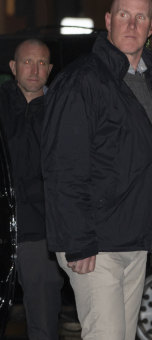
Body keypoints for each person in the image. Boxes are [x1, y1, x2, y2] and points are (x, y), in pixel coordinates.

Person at [42, 0, 152, 340]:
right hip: (94, 242)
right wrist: (78, 241)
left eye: (141, 17)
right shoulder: (82, 82)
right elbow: (63, 168)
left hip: (133, 242)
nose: (132, 24)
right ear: (108, 20)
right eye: (124, 14)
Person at [0, 39, 63, 340]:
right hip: (2, 232)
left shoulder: (61, 112)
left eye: (41, 63)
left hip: (41, 237)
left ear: (50, 70)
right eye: (27, 62)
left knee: (44, 327)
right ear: (13, 67)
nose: (34, 70)